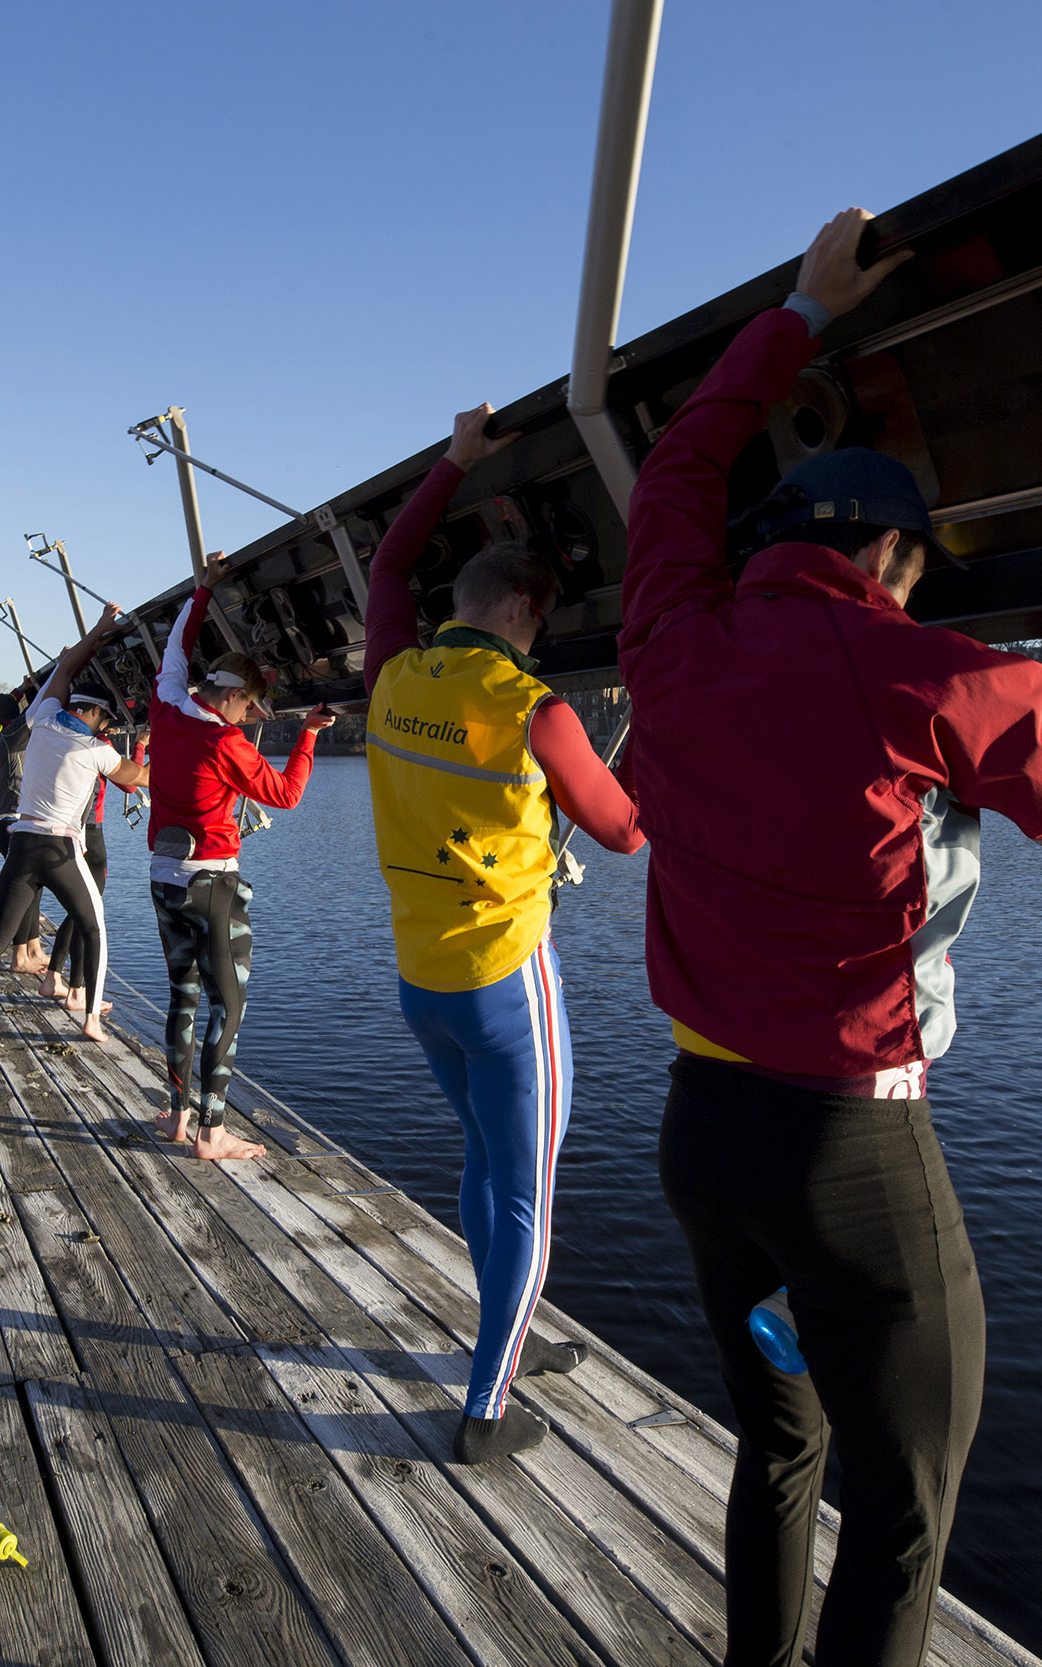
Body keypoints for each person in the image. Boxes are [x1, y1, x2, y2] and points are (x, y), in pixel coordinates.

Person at [624, 208, 1042, 1667]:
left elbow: (676, 471)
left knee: (779, 1449)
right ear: (890, 557)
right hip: (850, 1155)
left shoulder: (670, 636)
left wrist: (797, 311)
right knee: (905, 1506)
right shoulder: (925, 668)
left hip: (701, 1132)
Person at [363, 404, 648, 1465]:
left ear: (462, 606)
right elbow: (624, 832)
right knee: (528, 1183)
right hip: (502, 985)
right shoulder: (535, 711)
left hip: (419, 986)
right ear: (527, 609)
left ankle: (506, 1338)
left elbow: (386, 576)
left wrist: (454, 462)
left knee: (487, 1161)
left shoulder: (392, 680)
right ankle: (485, 1408)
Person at [144, 554, 335, 1161]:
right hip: (213, 885)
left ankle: (177, 1116)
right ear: (231, 695)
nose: (251, 717)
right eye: (250, 706)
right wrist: (307, 735)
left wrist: (202, 590)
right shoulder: (223, 742)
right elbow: (286, 794)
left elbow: (178, 641)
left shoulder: (166, 704)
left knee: (182, 995)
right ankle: (212, 1132)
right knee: (229, 1005)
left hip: (162, 879)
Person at [0, 607, 147, 1051]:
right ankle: (91, 1017)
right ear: (93, 713)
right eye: (105, 721)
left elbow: (67, 666)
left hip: (21, 845)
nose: (105, 728)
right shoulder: (96, 751)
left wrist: (100, 628)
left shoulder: (44, 717)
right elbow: (141, 777)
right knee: (94, 928)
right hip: (60, 849)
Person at [44, 683, 139, 1015]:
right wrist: (140, 745)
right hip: (90, 835)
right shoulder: (96, 745)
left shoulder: (57, 733)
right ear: (96, 715)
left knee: (77, 911)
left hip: (68, 833)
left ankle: (53, 975)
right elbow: (129, 781)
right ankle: (77, 991)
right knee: (90, 915)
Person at [0, 674, 51, 977]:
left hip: (7, 825)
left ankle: (32, 950)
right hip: (12, 825)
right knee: (25, 890)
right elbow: (17, 708)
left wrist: (23, 689)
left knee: (32, 888)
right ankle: (19, 957)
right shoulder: (15, 741)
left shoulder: (0, 736)